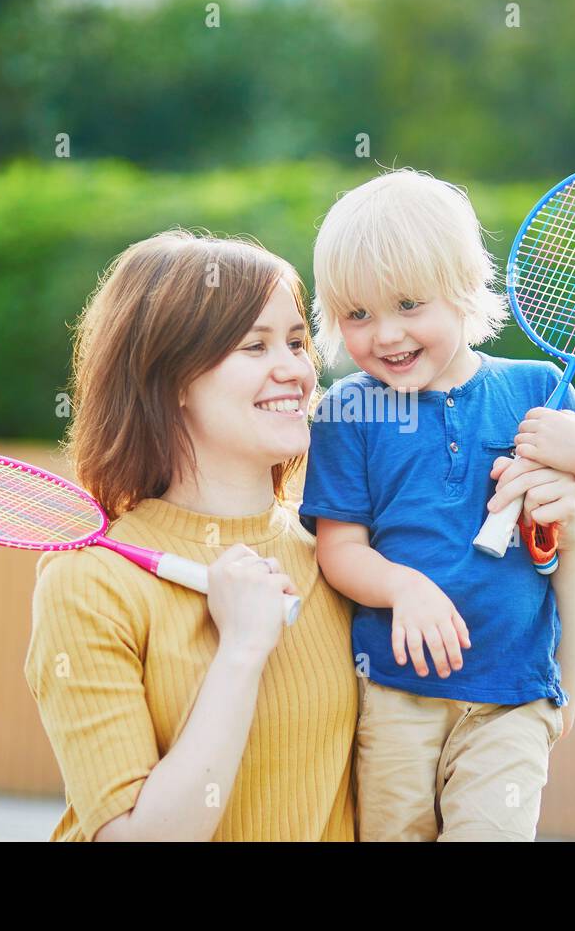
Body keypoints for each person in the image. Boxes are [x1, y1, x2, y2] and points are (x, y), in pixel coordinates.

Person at [301, 169, 575, 841]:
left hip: (512, 696)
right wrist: (405, 589)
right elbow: (340, 550)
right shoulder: (347, 413)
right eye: (359, 314)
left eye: (408, 305)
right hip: (395, 695)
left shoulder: (538, 388)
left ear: (461, 291)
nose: (386, 334)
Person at [24, 230, 356, 841]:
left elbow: (531, 716)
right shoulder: (91, 582)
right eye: (254, 347)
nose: (295, 371)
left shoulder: (342, 557)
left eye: (297, 342)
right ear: (171, 378)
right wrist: (241, 651)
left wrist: (567, 553)